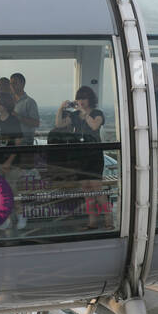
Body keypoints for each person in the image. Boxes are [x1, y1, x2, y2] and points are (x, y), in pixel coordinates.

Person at [54, 85, 109, 229]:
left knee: (97, 188)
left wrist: (84, 112)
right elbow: (59, 124)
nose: (81, 101)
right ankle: (92, 222)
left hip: (94, 155)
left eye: (84, 98)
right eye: (79, 98)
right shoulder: (74, 115)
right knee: (86, 190)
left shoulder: (97, 113)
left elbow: (94, 126)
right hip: (80, 155)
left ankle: (109, 221)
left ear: (90, 99)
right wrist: (61, 108)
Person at [0, 90, 25, 231]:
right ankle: (5, 218)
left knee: (13, 190)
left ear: (4, 104)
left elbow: (18, 144)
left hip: (12, 164)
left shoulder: (14, 121)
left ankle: (20, 215)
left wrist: (9, 162)